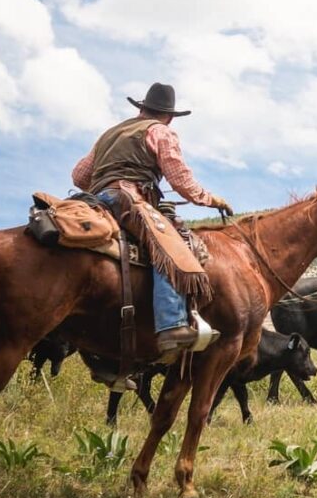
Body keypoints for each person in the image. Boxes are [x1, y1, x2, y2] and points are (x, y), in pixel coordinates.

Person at [72, 83, 232, 353]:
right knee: (170, 250)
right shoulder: (161, 132)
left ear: (142, 108)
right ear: (169, 116)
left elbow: (79, 177)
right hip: (127, 199)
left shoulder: (110, 133)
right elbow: (181, 180)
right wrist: (212, 199)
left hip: (94, 202)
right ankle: (172, 324)